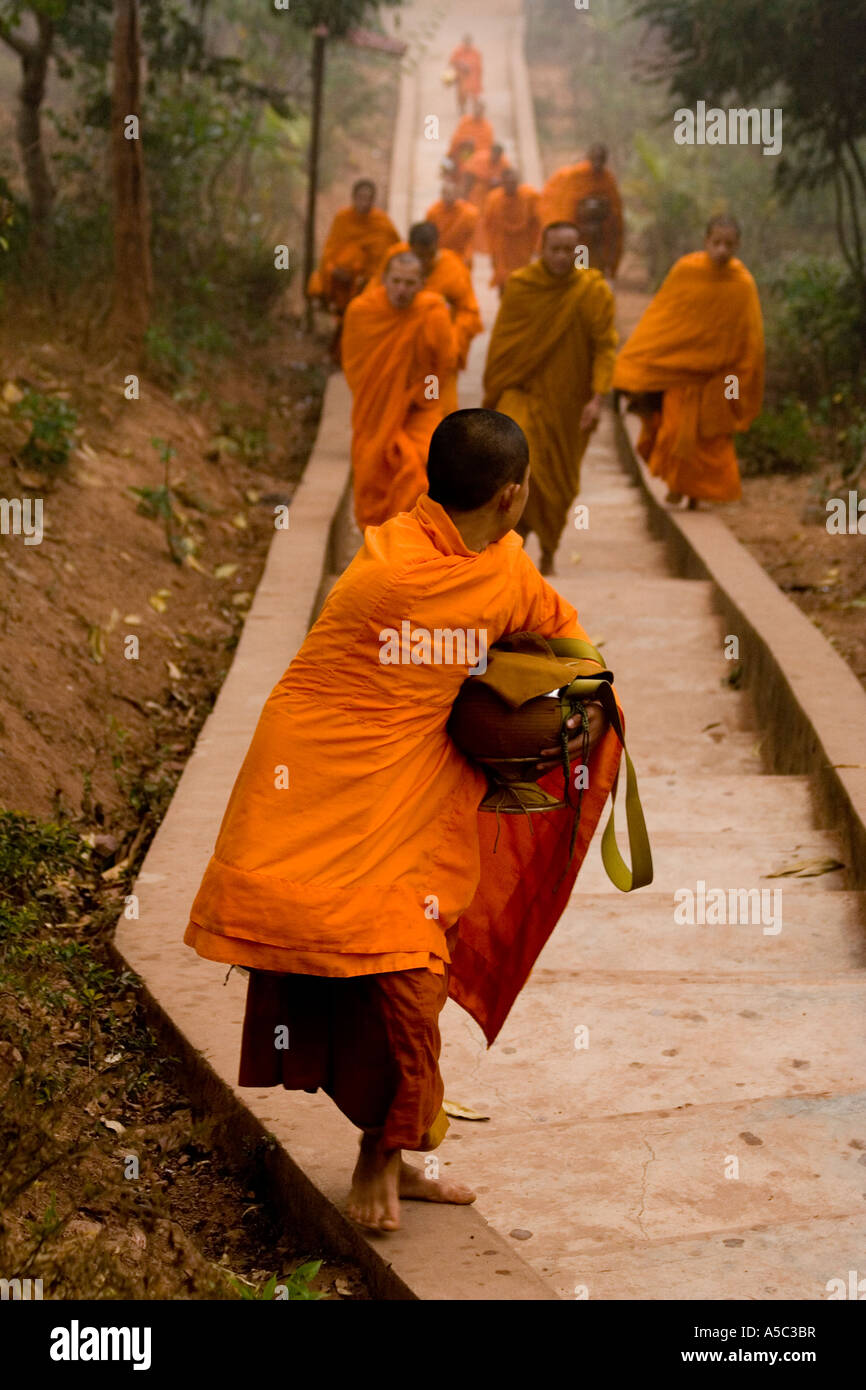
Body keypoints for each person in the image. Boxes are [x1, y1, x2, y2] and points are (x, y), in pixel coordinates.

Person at [184, 407, 624, 1233]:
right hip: (332, 776)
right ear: (512, 495)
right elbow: (582, 659)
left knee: (385, 966)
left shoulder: (389, 544)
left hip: (314, 765)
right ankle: (379, 1158)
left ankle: (399, 1145)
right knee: (404, 975)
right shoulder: (501, 578)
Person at [483, 222, 618, 575]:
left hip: (568, 404)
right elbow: (503, 345)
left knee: (556, 484)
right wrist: (496, 388)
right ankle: (509, 545)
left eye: (569, 250)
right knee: (515, 463)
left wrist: (597, 398)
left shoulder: (592, 292)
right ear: (541, 248)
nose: (561, 257)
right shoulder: (522, 286)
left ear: (579, 252)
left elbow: (605, 346)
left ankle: (548, 548)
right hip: (519, 392)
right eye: (554, 249)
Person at [612, 214, 765, 508]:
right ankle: (676, 485)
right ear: (706, 241)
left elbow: (750, 337)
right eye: (716, 242)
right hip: (679, 373)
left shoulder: (742, 284)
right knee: (673, 433)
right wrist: (644, 359)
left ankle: (696, 493)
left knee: (709, 440)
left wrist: (741, 379)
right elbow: (664, 317)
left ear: (738, 246)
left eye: (728, 244)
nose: (722, 249)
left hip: (718, 378)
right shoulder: (686, 271)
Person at [341, 252, 456, 528]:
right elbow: (355, 367)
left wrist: (420, 398)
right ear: (383, 280)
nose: (402, 289)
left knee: (420, 469)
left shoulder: (432, 313)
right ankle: (378, 541)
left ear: (422, 284)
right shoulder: (363, 311)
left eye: (410, 283)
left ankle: (406, 544)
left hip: (419, 410)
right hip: (376, 412)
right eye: (396, 281)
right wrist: (387, 397)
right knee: (372, 473)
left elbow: (443, 366)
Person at [380, 222, 482, 414]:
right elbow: (376, 299)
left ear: (437, 246)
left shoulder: (453, 268)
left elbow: (470, 313)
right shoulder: (397, 263)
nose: (424, 262)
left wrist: (451, 339)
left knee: (434, 409)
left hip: (434, 363)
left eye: (429, 256)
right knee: (396, 413)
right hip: (399, 354)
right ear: (410, 248)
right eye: (419, 256)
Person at [306, 179, 400, 358]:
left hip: (370, 281)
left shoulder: (381, 222)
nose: (364, 202)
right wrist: (334, 269)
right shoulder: (343, 218)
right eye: (360, 197)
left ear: (374, 200)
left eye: (368, 198)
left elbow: (394, 252)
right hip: (343, 280)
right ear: (353, 198)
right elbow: (330, 250)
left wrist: (371, 277)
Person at [539, 144, 623, 278]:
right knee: (578, 273)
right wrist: (573, 230)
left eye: (600, 159)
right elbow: (566, 206)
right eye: (594, 159)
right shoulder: (576, 176)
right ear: (589, 158)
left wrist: (609, 234)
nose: (597, 163)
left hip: (599, 240)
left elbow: (615, 213)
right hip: (580, 237)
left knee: (595, 275)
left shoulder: (608, 180)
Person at [483, 167, 542, 293]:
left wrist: (536, 244)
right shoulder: (494, 199)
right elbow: (488, 225)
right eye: (508, 183)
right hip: (502, 248)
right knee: (504, 284)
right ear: (502, 183)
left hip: (522, 248)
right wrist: (492, 249)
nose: (511, 185)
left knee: (523, 282)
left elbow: (537, 221)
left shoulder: (529, 196)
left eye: (514, 182)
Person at [461, 142, 510, 253]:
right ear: (490, 152)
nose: (495, 158)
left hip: (493, 196)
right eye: (494, 155)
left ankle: (486, 246)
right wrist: (465, 193)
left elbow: (509, 178)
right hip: (478, 194)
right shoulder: (479, 158)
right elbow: (469, 175)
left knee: (489, 219)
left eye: (498, 156)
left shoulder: (504, 163)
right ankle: (474, 245)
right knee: (476, 218)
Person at [426, 176, 480, 268]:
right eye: (446, 193)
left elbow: (470, 236)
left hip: (460, 255)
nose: (449, 197)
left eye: (451, 193)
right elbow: (429, 234)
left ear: (456, 194)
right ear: (442, 194)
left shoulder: (467, 212)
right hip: (440, 255)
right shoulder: (433, 212)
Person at [448, 99, 494, 165]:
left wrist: (475, 146)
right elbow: (455, 139)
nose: (478, 111)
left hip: (478, 157)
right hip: (462, 152)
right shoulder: (464, 121)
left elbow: (488, 147)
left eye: (480, 109)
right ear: (473, 109)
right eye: (476, 108)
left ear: (483, 111)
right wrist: (465, 141)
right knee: (447, 162)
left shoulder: (487, 127)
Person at [448, 33, 482, 114]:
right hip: (461, 78)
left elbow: (479, 65)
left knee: (475, 95)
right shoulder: (458, 51)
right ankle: (462, 109)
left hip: (473, 77)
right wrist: (460, 64)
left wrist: (478, 77)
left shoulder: (475, 52)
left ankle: (476, 111)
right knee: (462, 95)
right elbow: (452, 61)